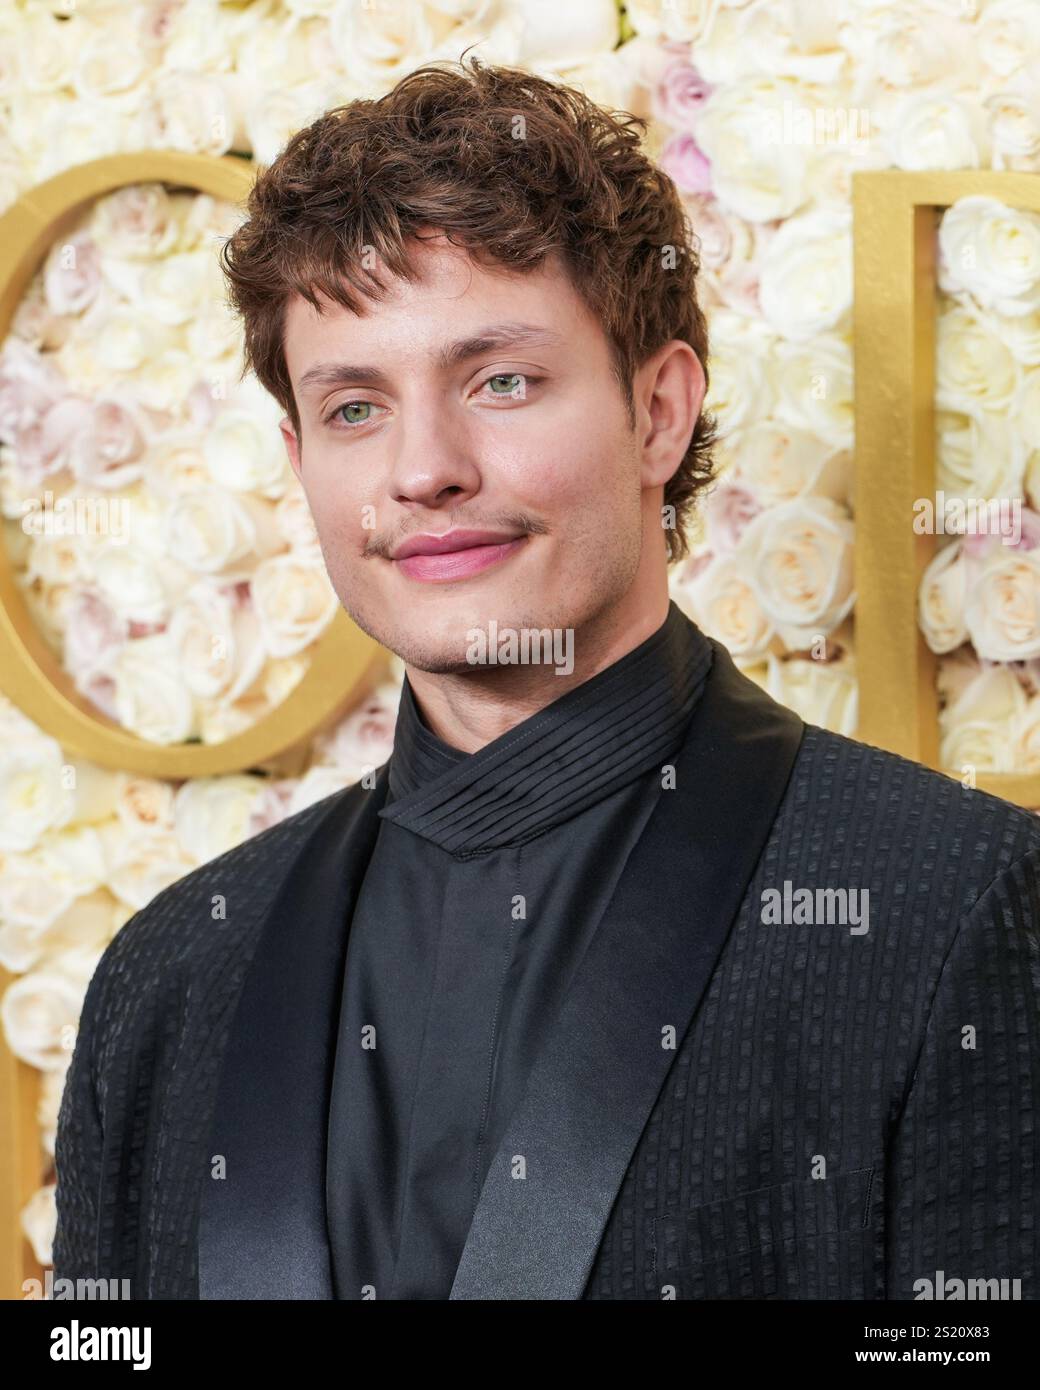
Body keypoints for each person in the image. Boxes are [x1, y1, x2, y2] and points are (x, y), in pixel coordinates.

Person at [52, 57, 1040, 1301]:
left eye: (499, 380)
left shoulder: (944, 903)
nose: (425, 468)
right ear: (299, 459)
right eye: (355, 406)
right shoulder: (167, 974)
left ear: (658, 410)